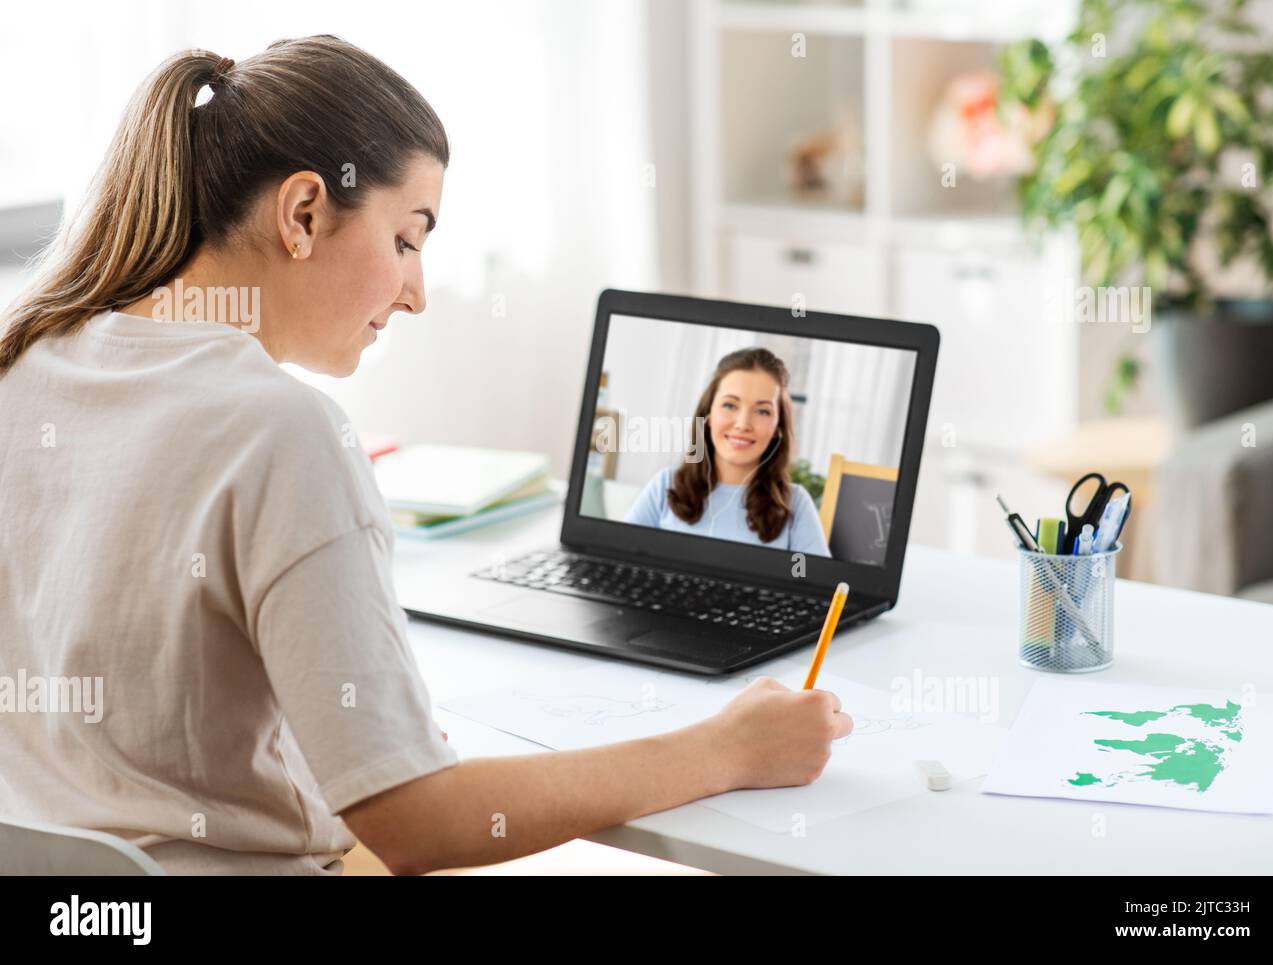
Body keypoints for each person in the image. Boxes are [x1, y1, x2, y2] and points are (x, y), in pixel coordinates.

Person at [0, 36, 851, 875]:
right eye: (407, 239)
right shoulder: (281, 433)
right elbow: (419, 824)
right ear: (303, 213)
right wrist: (726, 749)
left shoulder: (25, 360)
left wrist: (357, 743)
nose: (414, 293)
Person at [624, 348, 831, 557]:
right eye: (730, 405)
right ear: (708, 415)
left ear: (778, 427)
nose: (742, 424)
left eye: (762, 411)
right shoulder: (666, 485)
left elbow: (822, 587)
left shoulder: (795, 504)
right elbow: (619, 559)